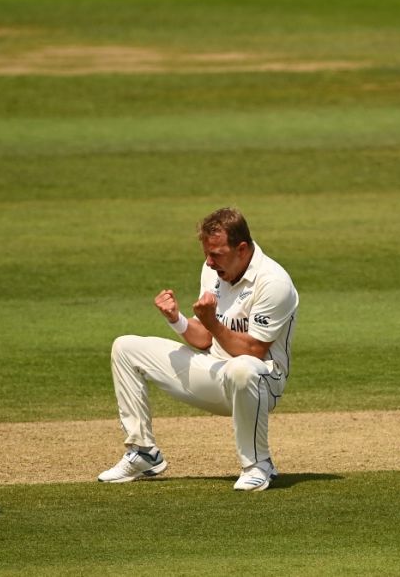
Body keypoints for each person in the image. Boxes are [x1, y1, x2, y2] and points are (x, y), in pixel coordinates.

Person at [98, 207, 299, 492]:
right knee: (126, 348)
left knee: (242, 368)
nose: (209, 262)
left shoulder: (273, 282)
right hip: (215, 370)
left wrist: (212, 323)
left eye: (216, 254)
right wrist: (176, 319)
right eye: (206, 254)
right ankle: (143, 453)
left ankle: (258, 465)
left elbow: (253, 350)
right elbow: (205, 338)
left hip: (262, 382)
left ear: (242, 249)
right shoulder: (213, 270)